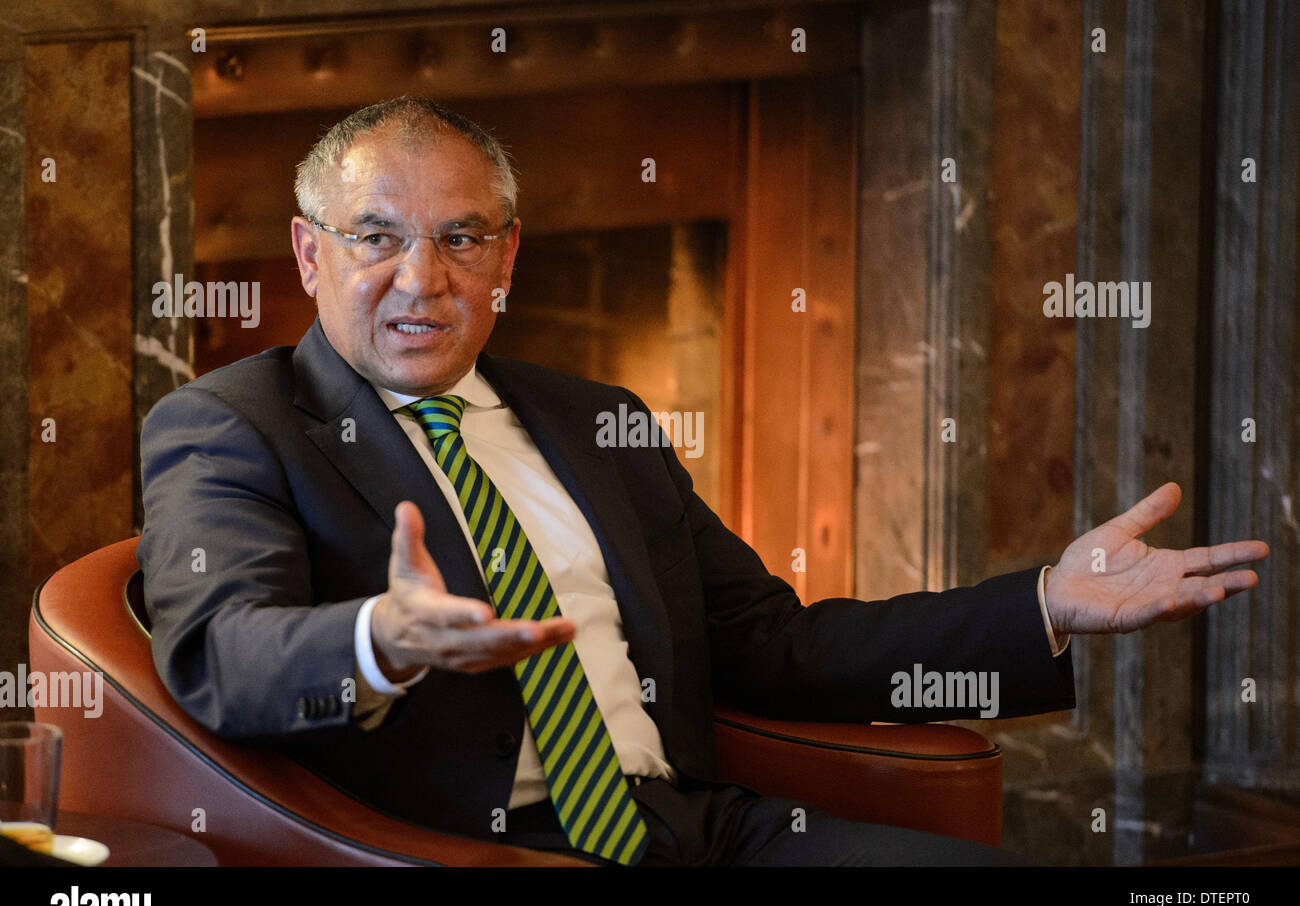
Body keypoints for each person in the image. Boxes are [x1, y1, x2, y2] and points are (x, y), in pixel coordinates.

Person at [137, 96, 1268, 866]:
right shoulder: (230, 425)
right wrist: (382, 635)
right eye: (375, 235)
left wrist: (1042, 604)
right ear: (306, 253)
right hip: (479, 847)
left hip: (695, 829)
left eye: (462, 238)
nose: (419, 279)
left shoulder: (596, 420)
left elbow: (774, 644)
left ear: (509, 257)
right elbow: (220, 652)